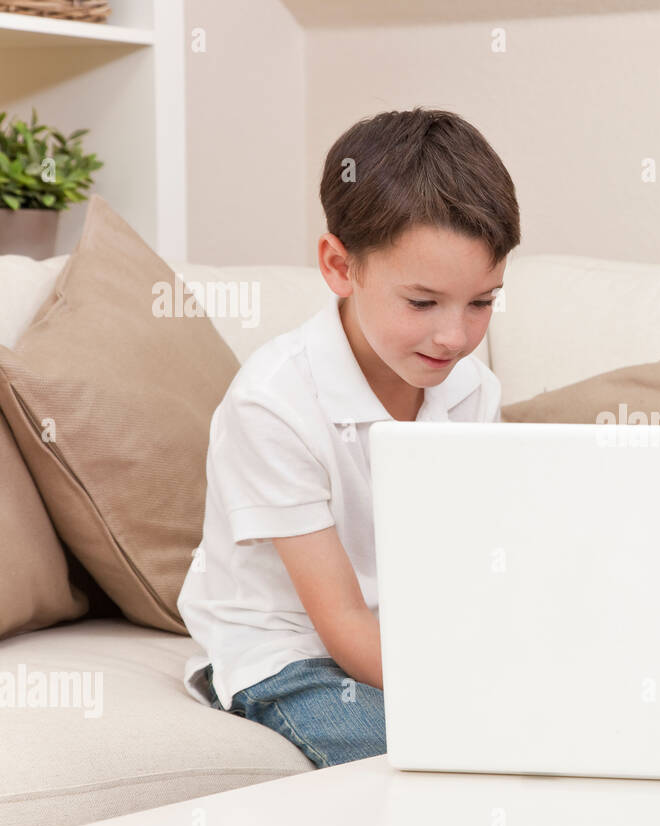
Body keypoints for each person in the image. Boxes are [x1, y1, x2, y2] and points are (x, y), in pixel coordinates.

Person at [178, 108, 520, 769]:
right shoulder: (271, 403)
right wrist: (478, 695)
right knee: (414, 747)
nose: (455, 336)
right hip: (290, 657)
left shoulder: (473, 390)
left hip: (408, 641)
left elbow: (470, 564)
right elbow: (344, 627)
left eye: (482, 302)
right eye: (422, 303)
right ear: (339, 265)